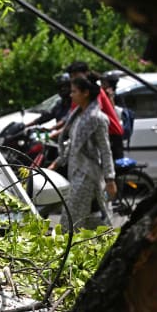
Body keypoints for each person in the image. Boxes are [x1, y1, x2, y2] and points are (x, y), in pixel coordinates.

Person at [49, 76, 116, 229]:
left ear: (85, 93)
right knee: (85, 218)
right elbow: (72, 144)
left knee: (71, 219)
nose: (70, 95)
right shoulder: (78, 115)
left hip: (88, 175)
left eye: (74, 91)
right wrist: (56, 163)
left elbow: (105, 150)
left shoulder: (97, 119)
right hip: (76, 172)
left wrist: (110, 179)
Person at [67, 61, 125, 160]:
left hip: (110, 134)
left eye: (76, 75)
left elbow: (91, 114)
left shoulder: (92, 91)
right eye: (71, 76)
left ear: (86, 73)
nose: (73, 79)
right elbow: (72, 117)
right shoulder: (78, 93)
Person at [101, 72, 134, 147]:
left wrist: (110, 98)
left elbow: (115, 112)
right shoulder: (104, 95)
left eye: (104, 82)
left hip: (113, 132)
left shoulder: (114, 96)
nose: (102, 85)